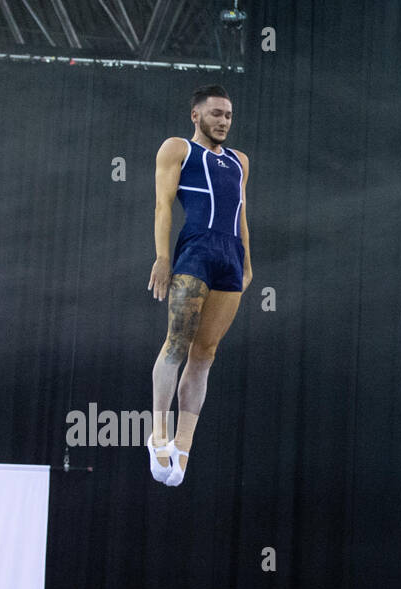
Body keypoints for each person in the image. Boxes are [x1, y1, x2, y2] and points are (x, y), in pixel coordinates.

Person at [147, 84, 253, 486]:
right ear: (196, 115)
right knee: (177, 342)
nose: (224, 121)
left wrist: (247, 259)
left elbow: (242, 213)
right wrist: (162, 257)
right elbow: (163, 203)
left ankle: (182, 444)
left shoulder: (240, 161)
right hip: (194, 251)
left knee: (205, 353)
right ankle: (157, 433)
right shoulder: (177, 149)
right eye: (216, 114)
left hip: (229, 255)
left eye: (228, 115)